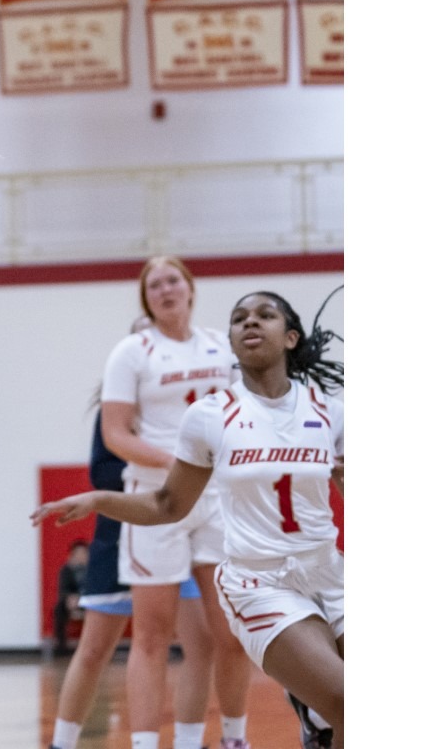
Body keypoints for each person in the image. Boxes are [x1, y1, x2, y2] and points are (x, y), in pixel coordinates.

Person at [35, 291, 345, 743]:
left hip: (332, 574)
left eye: (265, 315)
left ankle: (316, 722)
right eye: (239, 318)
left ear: (291, 337)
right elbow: (167, 505)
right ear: (232, 346)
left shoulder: (331, 413)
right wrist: (102, 498)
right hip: (261, 583)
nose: (250, 322)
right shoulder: (210, 417)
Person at [99, 257, 254, 749]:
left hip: (217, 499)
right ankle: (146, 744)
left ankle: (229, 738)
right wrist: (179, 463)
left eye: (173, 280)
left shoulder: (219, 347)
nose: (165, 289)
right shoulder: (132, 351)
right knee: (151, 635)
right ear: (146, 298)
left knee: (230, 634)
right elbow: (115, 434)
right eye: (154, 284)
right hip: (155, 499)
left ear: (190, 288)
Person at [49, 318, 216, 749]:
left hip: (182, 530)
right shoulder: (117, 411)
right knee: (94, 649)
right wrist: (160, 469)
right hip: (125, 531)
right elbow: (102, 470)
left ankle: (189, 740)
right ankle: (62, 743)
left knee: (201, 644)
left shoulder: (189, 407)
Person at [53, 541, 88, 655]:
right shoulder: (66, 570)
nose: (81, 556)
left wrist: (82, 598)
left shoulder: (93, 570)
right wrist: (70, 598)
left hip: (88, 601)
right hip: (71, 602)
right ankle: (61, 647)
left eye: (83, 553)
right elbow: (63, 589)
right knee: (59, 609)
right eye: (78, 553)